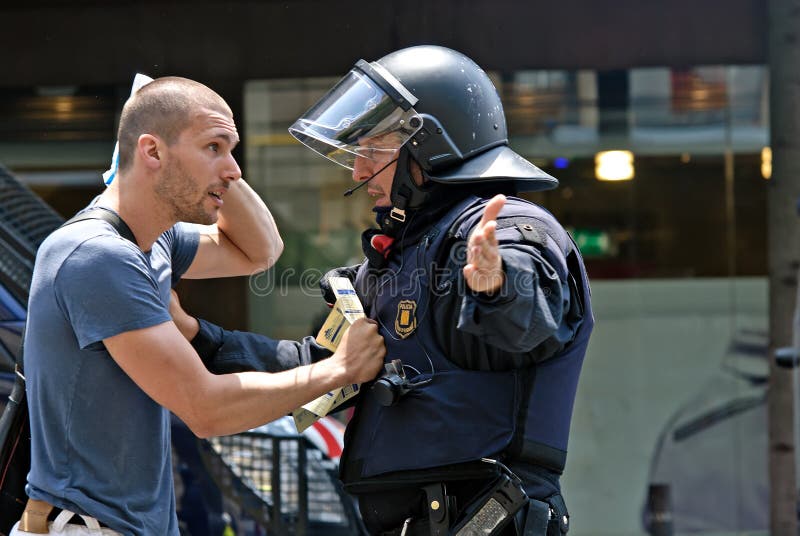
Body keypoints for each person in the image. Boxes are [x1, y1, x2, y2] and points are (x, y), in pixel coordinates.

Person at [177, 45, 594, 535]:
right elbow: (322, 369)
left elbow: (527, 319)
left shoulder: (507, 227)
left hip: (487, 520)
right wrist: (196, 337)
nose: (358, 172)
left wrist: (495, 284)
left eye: (372, 151)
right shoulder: (399, 257)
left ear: (429, 146)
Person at [13, 76, 385, 536]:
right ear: (152, 152)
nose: (234, 169)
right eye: (213, 147)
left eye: (232, 150)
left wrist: (215, 168)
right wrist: (340, 369)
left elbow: (261, 251)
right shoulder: (97, 254)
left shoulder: (154, 241)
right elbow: (205, 408)